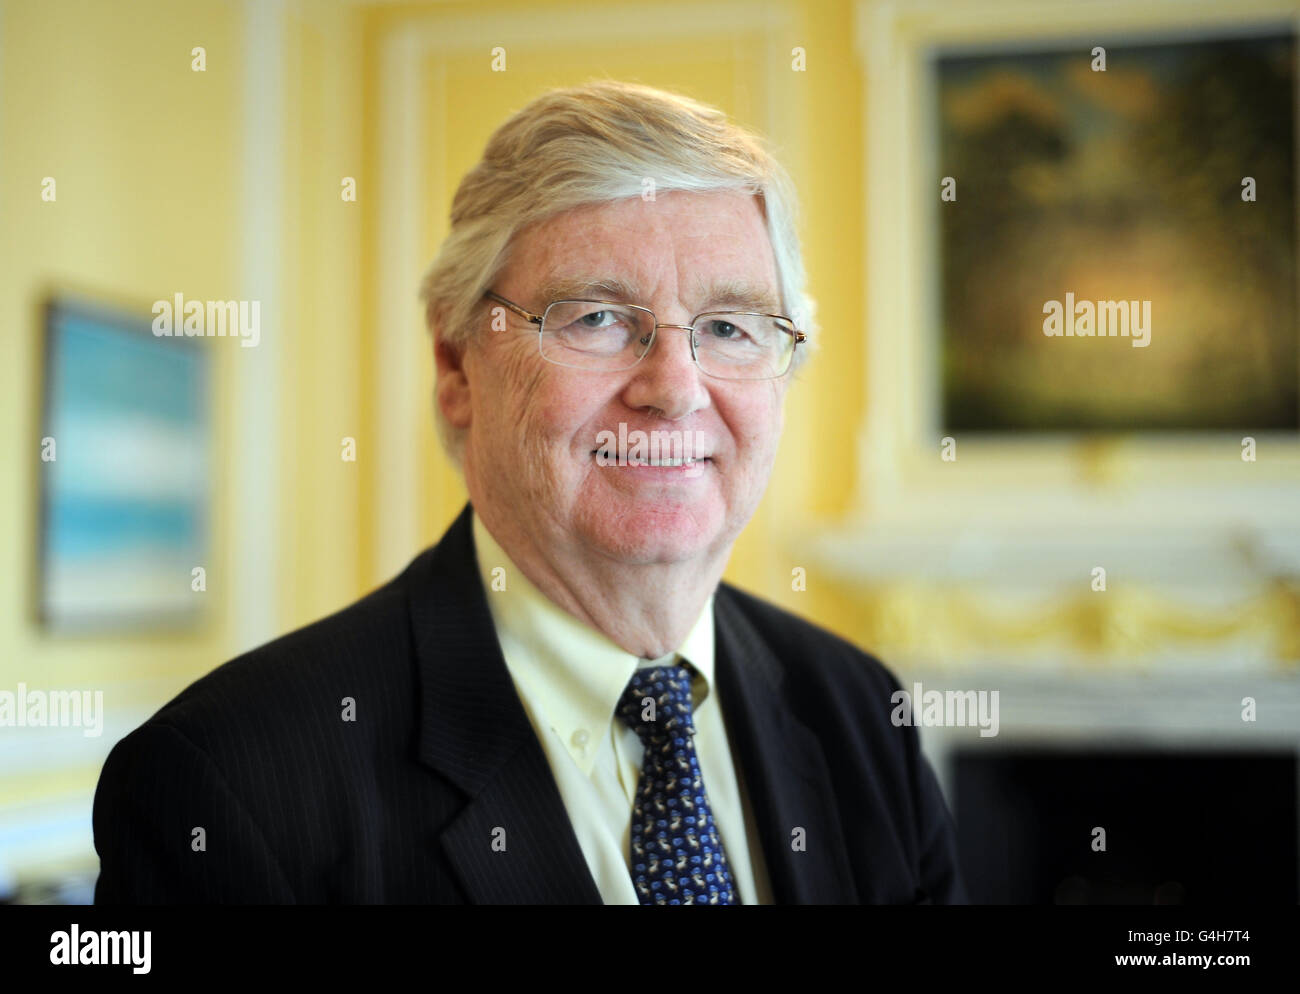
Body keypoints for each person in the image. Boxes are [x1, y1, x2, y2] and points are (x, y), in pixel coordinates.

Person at [93, 79, 967, 905]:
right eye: (596, 318)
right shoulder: (230, 781)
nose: (674, 386)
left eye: (730, 327)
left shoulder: (859, 712)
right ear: (456, 367)